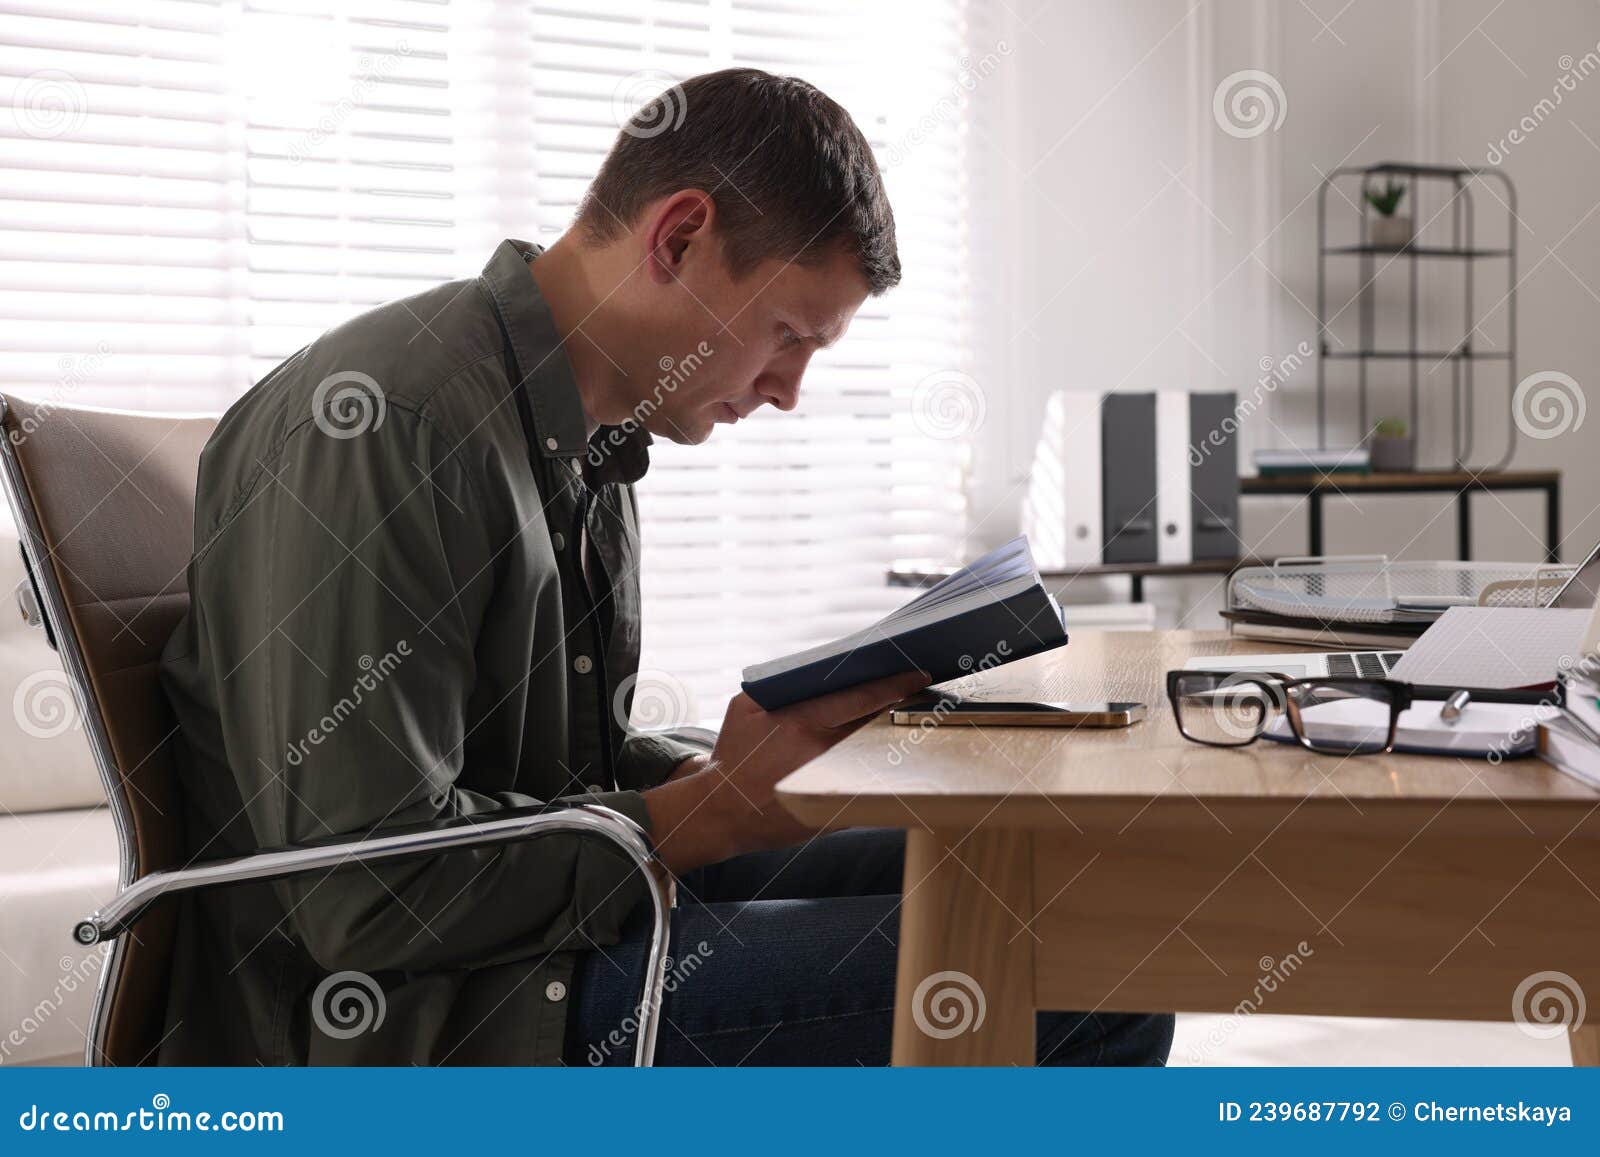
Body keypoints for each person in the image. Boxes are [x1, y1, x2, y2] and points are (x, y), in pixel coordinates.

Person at [157, 67, 1173, 1066]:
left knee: (1034, 885)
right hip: (418, 1017)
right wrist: (716, 808)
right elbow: (361, 891)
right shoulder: (393, 424)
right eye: (787, 335)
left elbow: (536, 770)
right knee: (1090, 967)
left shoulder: (585, 437)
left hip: (521, 941)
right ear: (678, 239)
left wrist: (709, 772)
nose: (787, 391)